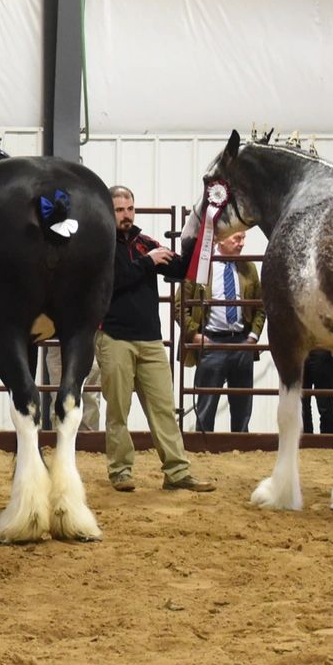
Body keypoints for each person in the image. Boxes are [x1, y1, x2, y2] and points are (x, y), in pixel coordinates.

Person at [94, 186, 213, 494]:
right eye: (120, 210)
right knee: (118, 411)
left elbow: (182, 268)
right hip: (114, 338)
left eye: (130, 208)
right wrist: (148, 262)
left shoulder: (146, 243)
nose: (126, 215)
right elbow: (113, 280)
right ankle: (120, 472)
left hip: (150, 341)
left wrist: (201, 239)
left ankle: (177, 471)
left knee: (163, 407)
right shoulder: (101, 245)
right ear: (109, 211)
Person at [180, 228, 263, 433]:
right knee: (206, 402)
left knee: (242, 404)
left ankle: (241, 445)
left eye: (244, 238)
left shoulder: (249, 267)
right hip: (212, 342)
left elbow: (261, 305)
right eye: (237, 238)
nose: (241, 243)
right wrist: (194, 334)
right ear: (221, 239)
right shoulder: (202, 266)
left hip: (242, 343)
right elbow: (179, 304)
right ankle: (203, 444)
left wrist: (253, 337)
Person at [299, 349, 333, 437]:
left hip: (322, 347)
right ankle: (304, 441)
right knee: (300, 403)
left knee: (326, 402)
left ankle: (329, 441)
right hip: (300, 347)